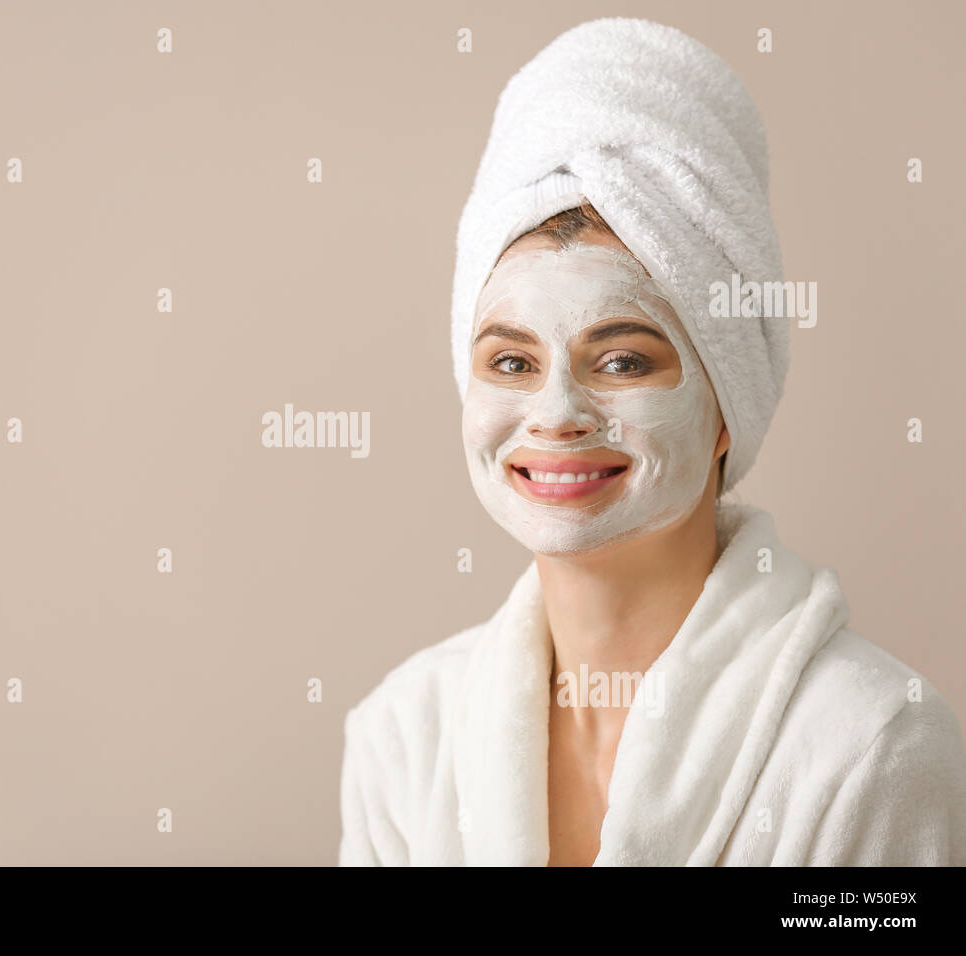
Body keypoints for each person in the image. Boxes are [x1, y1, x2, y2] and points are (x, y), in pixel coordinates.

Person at [337, 18, 966, 866]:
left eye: (623, 358)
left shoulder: (872, 747)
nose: (555, 412)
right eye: (512, 360)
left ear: (726, 407)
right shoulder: (403, 739)